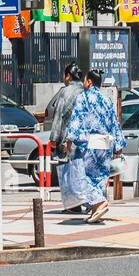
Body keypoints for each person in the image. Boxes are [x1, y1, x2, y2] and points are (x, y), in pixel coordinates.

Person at [63, 69, 125, 224]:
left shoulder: (83, 98)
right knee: (99, 177)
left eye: (85, 80)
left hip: (90, 143)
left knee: (85, 177)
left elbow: (76, 120)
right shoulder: (106, 100)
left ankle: (99, 203)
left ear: (89, 82)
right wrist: (118, 144)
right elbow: (114, 123)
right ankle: (96, 208)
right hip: (105, 143)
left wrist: (69, 141)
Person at [46, 62, 86, 214]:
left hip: (67, 138)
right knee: (81, 171)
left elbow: (58, 116)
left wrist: (54, 138)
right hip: (83, 137)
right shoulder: (85, 90)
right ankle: (86, 202)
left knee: (66, 171)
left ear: (68, 76)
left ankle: (72, 205)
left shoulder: (65, 92)